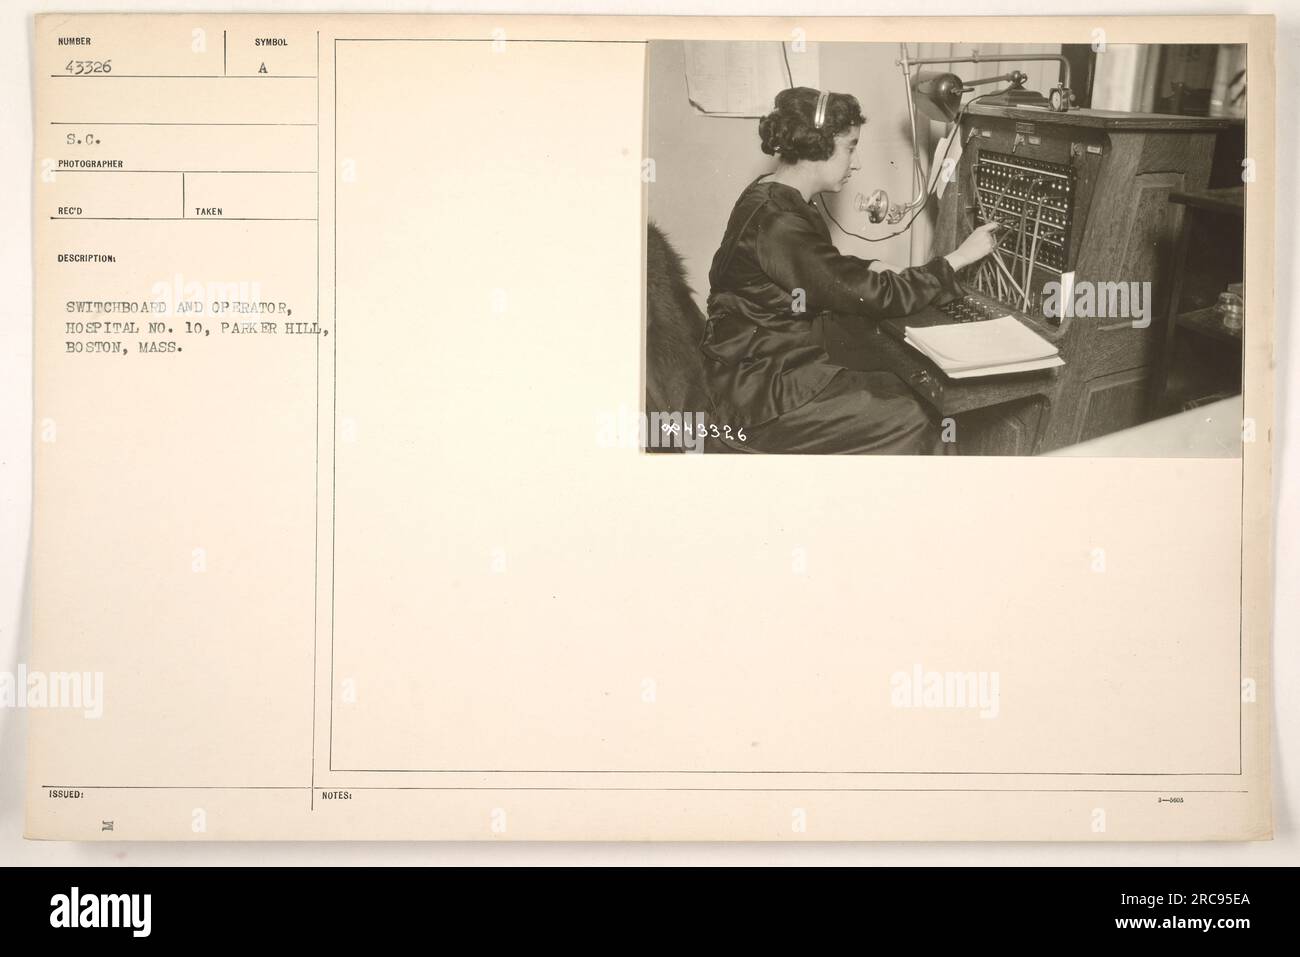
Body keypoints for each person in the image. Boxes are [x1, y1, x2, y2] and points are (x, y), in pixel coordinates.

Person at [701, 87, 1002, 454]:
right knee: (921, 417)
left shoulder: (767, 196)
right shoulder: (780, 220)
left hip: (749, 372)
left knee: (898, 386)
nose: (855, 162)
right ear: (819, 145)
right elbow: (867, 292)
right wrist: (957, 259)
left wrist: (869, 264)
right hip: (762, 395)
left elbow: (817, 269)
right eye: (850, 146)